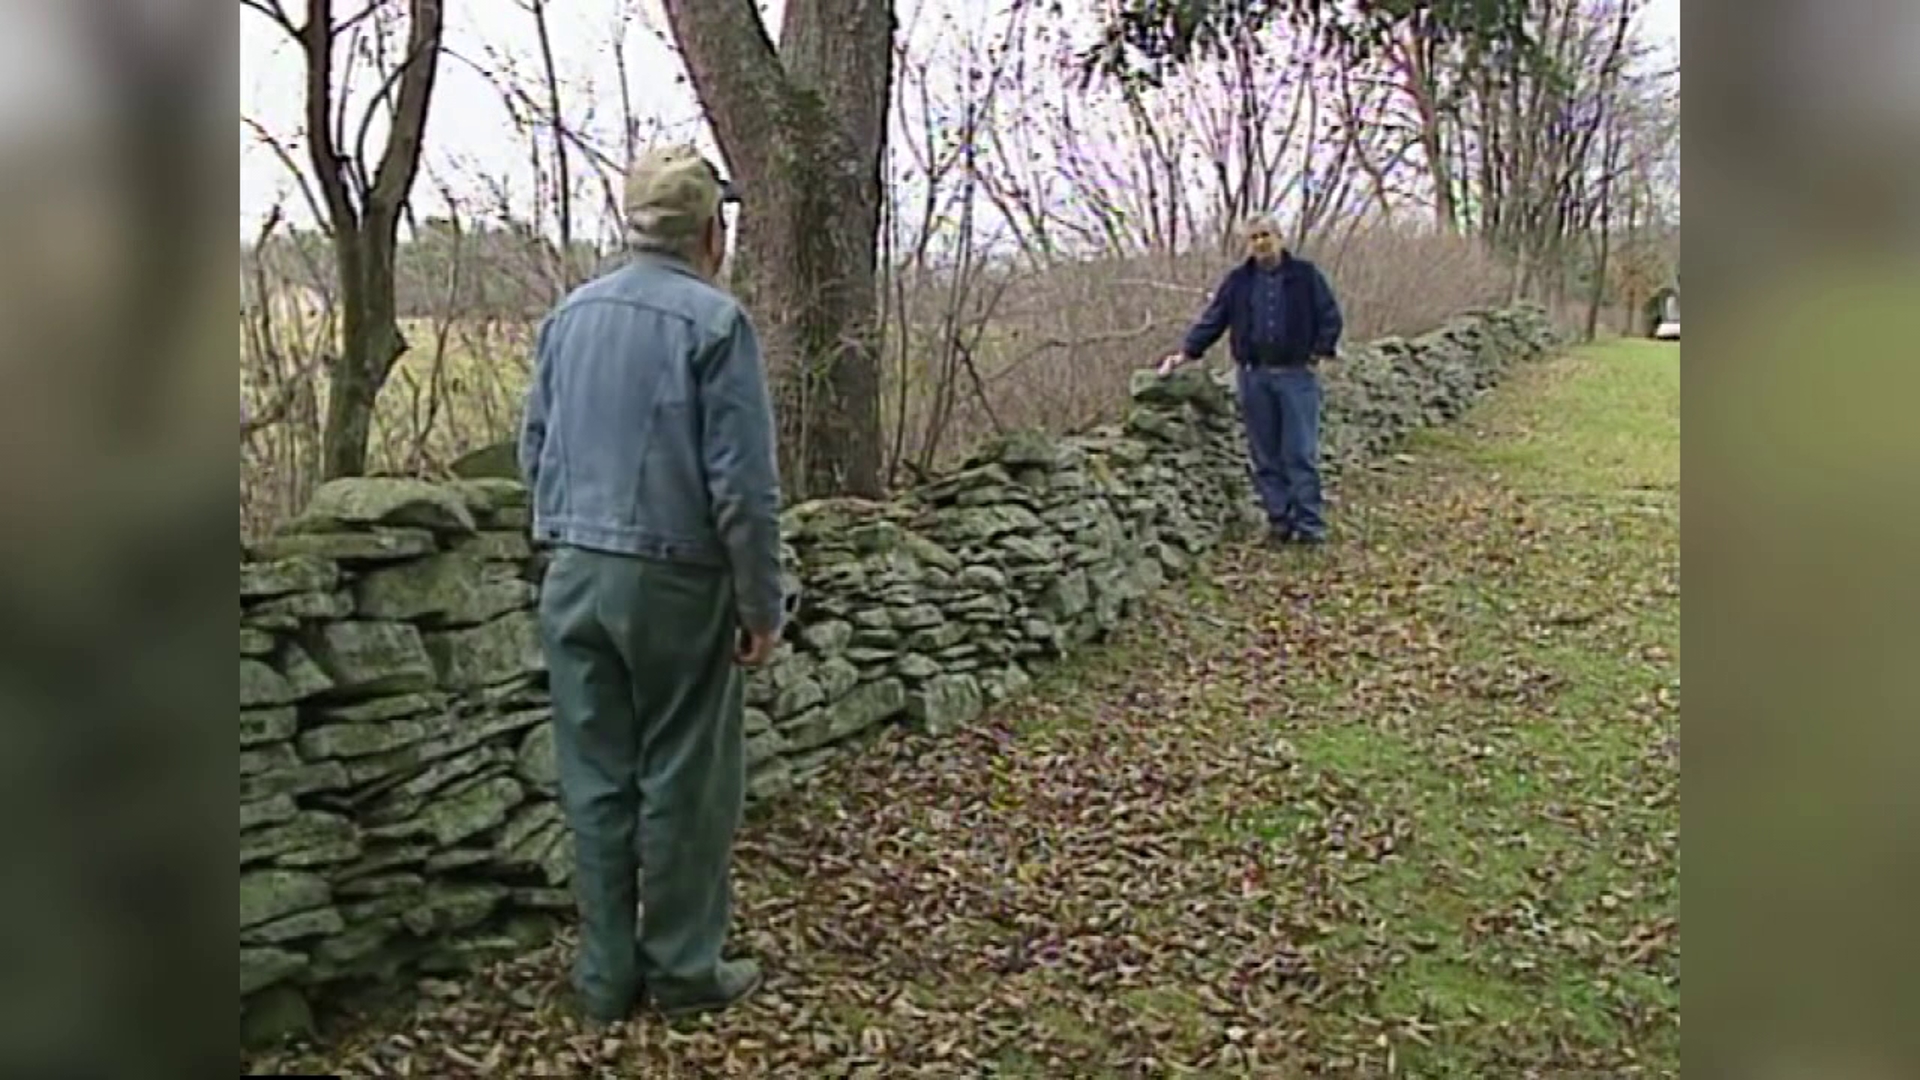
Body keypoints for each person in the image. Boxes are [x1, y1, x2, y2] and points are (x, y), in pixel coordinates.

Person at [517, 143, 784, 1025]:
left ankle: (603, 977)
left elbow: (535, 450)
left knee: (595, 777)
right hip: (674, 579)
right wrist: (759, 604)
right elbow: (741, 486)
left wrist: (563, 538)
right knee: (683, 777)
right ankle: (682, 970)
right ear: (714, 231)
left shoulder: (570, 316)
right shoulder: (714, 324)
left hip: (573, 570)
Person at [1158, 213, 1345, 546]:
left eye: (1266, 235)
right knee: (1265, 455)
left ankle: (1311, 527)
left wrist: (1320, 351)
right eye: (1254, 237)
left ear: (1279, 237)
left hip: (1296, 375)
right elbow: (1214, 320)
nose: (1260, 243)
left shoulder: (1305, 276)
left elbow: (1329, 314)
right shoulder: (1238, 281)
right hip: (1253, 376)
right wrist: (1186, 353)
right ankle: (1279, 523)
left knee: (1300, 453)